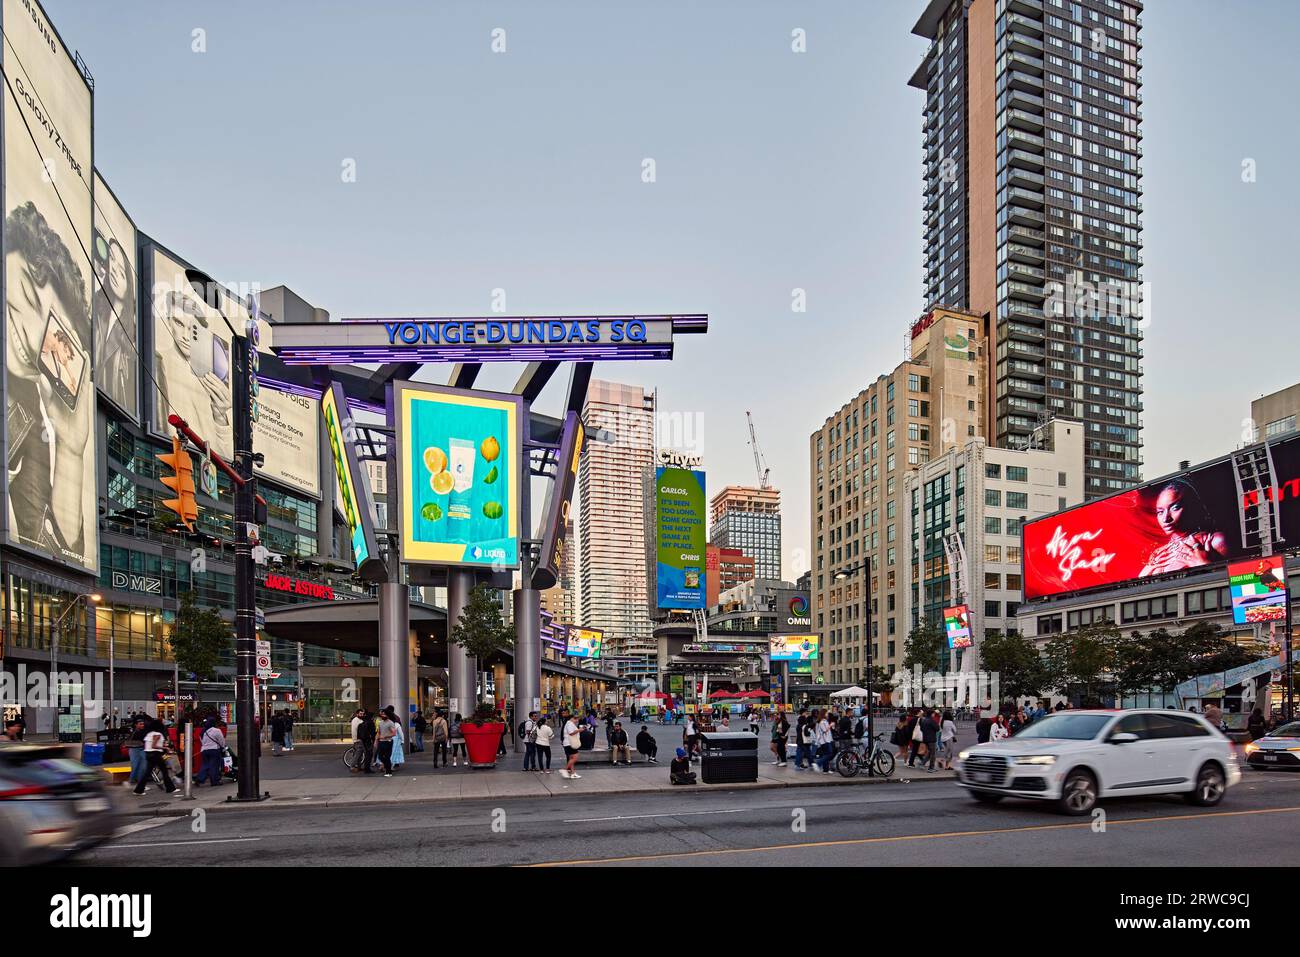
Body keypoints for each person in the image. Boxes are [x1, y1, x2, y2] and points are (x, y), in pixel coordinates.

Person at [5, 203, 95, 566]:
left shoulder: (31, 422)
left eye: (48, 336)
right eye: (27, 289)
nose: (29, 333)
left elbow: (50, 552)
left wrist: (72, 454)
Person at [1138, 479, 1230, 578]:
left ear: (1192, 506)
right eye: (1160, 512)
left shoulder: (1214, 540)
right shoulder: (1159, 554)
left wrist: (1205, 565)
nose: (1165, 518)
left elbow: (1241, 582)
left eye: (1175, 508)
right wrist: (1142, 577)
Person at [134, 721, 178, 796]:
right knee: (164, 771)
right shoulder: (158, 734)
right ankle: (170, 788)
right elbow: (153, 746)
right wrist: (165, 747)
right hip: (155, 754)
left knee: (147, 773)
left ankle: (138, 790)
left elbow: (147, 745)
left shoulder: (149, 734)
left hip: (148, 754)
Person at [198, 717, 226, 786]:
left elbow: (201, 741)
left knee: (205, 765)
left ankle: (200, 779)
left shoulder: (203, 731)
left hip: (204, 750)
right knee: (214, 766)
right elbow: (221, 740)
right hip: (214, 750)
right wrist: (223, 747)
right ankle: (214, 781)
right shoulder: (216, 730)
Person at [124, 716, 149, 787]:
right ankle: (131, 781)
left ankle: (140, 784)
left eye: (143, 724)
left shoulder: (143, 731)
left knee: (143, 767)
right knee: (135, 766)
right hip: (134, 750)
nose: (142, 725)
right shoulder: (134, 732)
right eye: (140, 724)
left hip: (141, 750)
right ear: (136, 725)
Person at [376, 706, 399, 777]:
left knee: (387, 757)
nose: (383, 715)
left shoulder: (390, 723)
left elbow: (394, 733)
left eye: (384, 714)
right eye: (382, 714)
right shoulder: (380, 723)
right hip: (381, 741)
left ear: (388, 715)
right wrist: (376, 740)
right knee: (380, 757)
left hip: (388, 742)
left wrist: (385, 736)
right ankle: (388, 767)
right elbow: (379, 732)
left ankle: (388, 772)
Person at [560, 713, 583, 779]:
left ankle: (573, 773)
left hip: (568, 743)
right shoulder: (569, 724)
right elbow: (571, 733)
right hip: (569, 743)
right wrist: (579, 730)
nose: (577, 721)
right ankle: (565, 770)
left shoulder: (569, 723)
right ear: (573, 718)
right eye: (577, 719)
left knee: (571, 758)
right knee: (575, 757)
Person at [355, 709, 376, 775]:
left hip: (363, 741)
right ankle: (367, 769)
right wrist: (374, 740)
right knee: (369, 754)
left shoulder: (362, 723)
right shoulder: (371, 723)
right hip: (368, 741)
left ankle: (366, 768)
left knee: (366, 754)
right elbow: (373, 734)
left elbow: (358, 734)